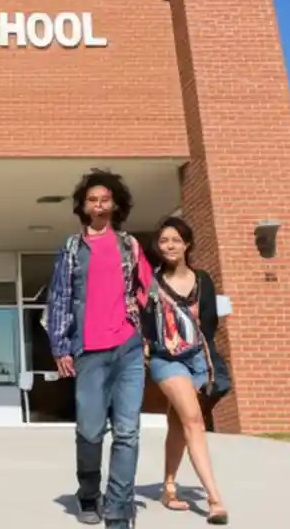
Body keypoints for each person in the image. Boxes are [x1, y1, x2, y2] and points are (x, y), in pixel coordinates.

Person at [45, 169, 153, 528]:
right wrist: (61, 346)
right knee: (90, 431)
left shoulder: (129, 244)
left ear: (115, 204)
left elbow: (147, 289)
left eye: (105, 199)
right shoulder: (72, 248)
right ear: (83, 206)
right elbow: (60, 298)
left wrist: (141, 327)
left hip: (128, 348)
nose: (99, 205)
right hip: (89, 349)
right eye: (93, 200)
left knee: (127, 431)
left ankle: (119, 508)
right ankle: (89, 493)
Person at [145, 217, 229, 525]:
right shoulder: (151, 283)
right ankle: (215, 499)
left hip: (198, 359)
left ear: (186, 244)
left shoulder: (203, 280)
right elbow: (143, 321)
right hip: (166, 359)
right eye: (164, 241)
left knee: (179, 422)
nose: (169, 246)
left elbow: (210, 323)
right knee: (194, 420)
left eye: (175, 240)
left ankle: (168, 485)